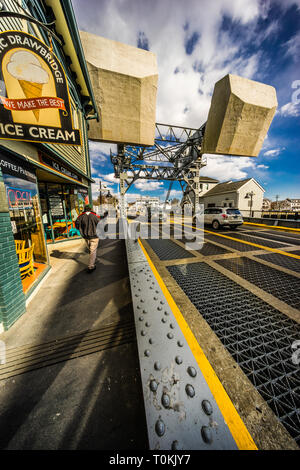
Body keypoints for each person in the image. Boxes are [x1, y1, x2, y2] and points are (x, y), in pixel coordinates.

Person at [75, 204, 101, 273]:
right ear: (91, 209)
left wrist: (82, 230)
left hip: (85, 236)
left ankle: (93, 259)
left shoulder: (80, 217)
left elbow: (77, 225)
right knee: (93, 250)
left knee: (90, 249)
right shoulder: (95, 216)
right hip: (94, 236)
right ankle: (91, 266)